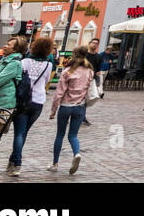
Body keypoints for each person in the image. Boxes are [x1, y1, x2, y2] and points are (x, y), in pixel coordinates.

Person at [6, 37, 54, 177]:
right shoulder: (49, 65)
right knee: (24, 132)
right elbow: (46, 81)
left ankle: (17, 164)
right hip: (38, 101)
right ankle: (12, 160)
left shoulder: (24, 62)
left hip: (23, 100)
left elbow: (17, 79)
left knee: (19, 133)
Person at [49, 46, 93, 175]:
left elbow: (59, 93)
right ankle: (77, 153)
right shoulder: (89, 71)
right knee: (73, 135)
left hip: (66, 106)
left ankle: (55, 164)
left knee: (60, 135)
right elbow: (88, 90)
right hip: (80, 107)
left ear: (74, 55)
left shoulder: (67, 71)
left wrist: (53, 110)